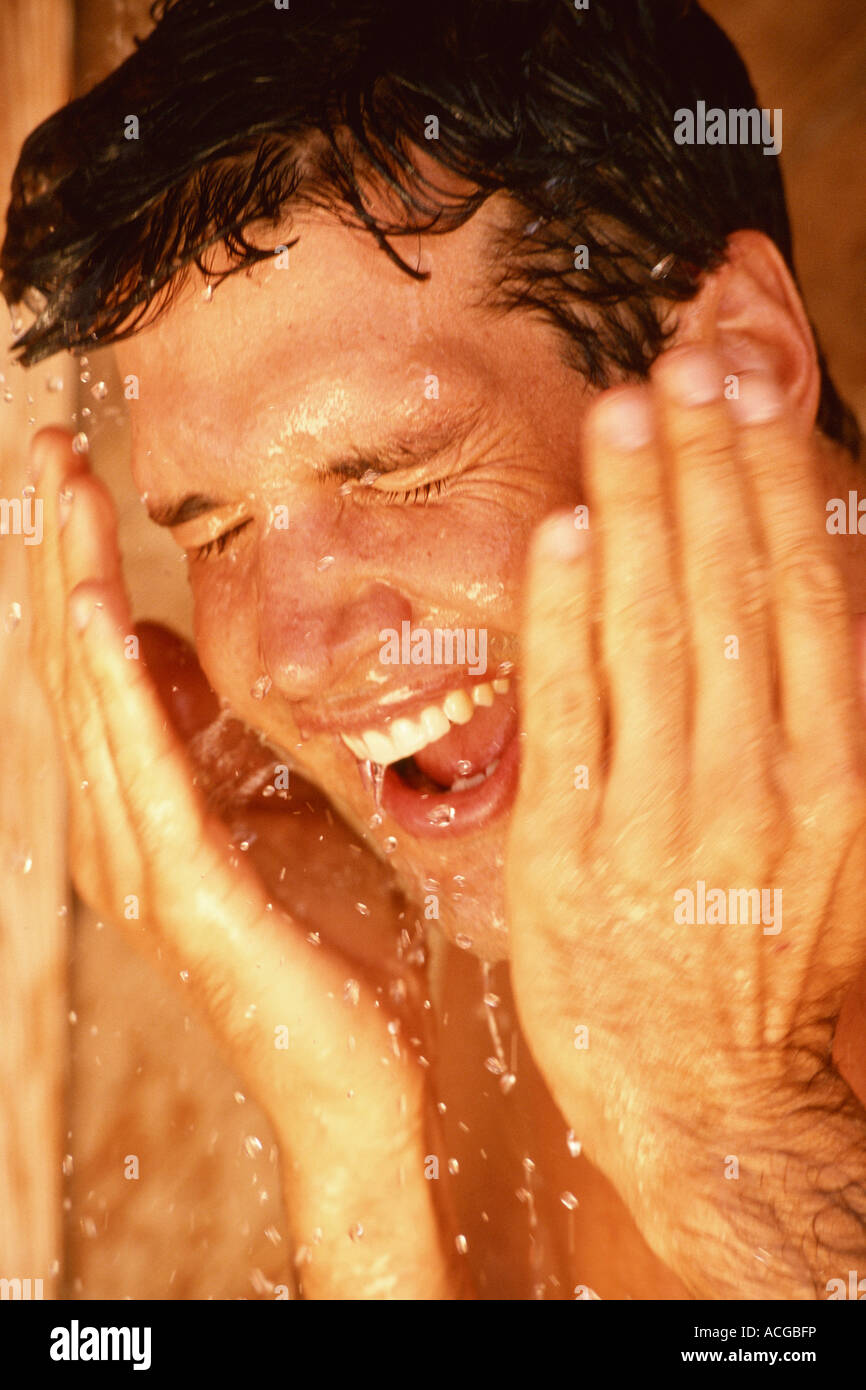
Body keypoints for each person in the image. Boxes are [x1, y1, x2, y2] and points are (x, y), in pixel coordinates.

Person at [3, 0, 865, 1299]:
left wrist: (733, 1140)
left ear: (735, 362)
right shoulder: (533, 898)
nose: (289, 652)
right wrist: (348, 1143)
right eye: (217, 528)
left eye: (396, 472)